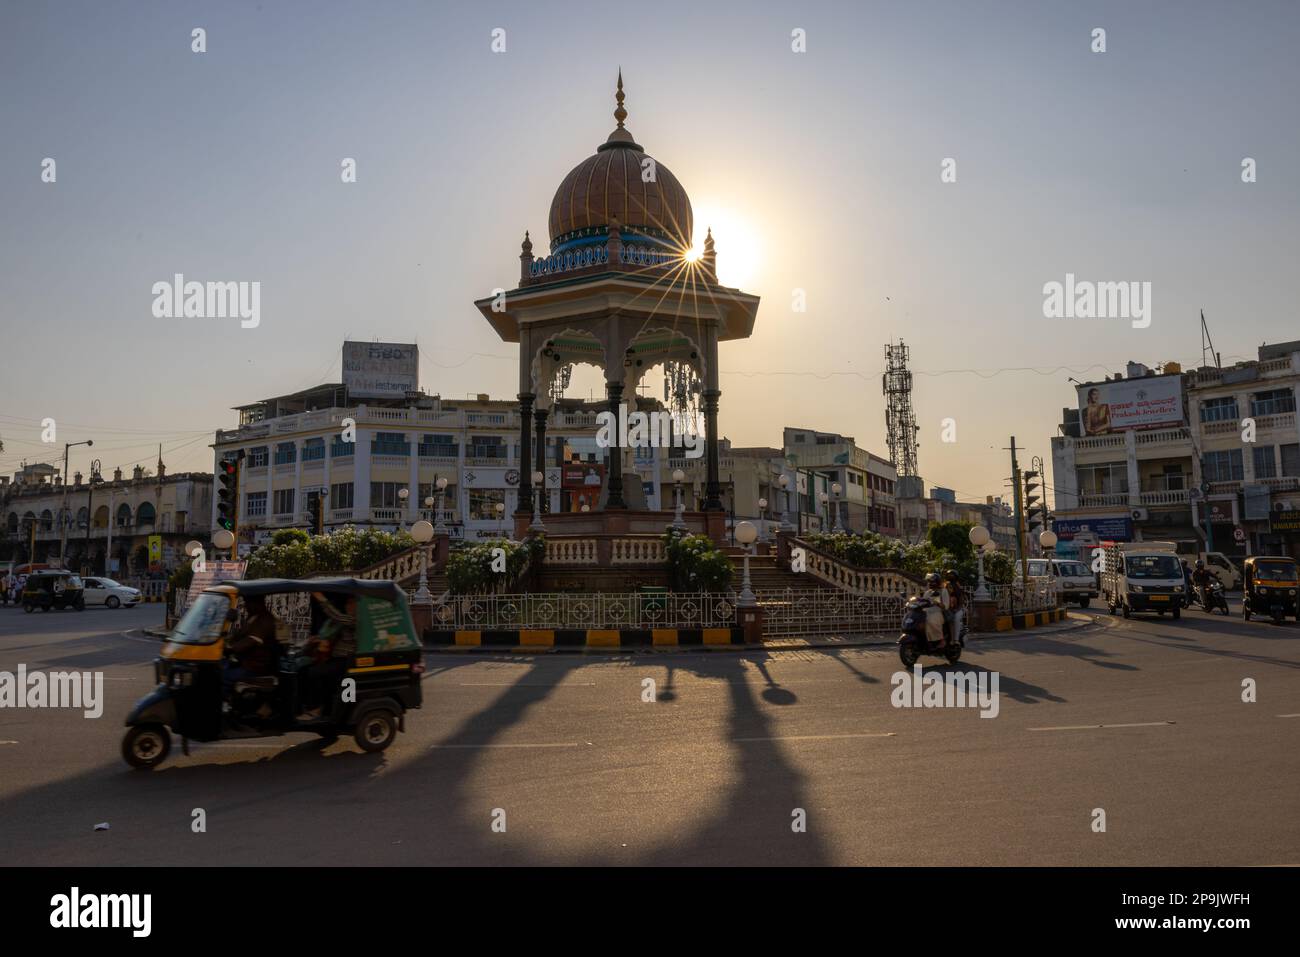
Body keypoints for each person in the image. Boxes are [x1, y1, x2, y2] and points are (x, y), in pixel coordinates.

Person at [301, 593, 358, 715]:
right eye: (347, 603)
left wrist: (322, 600)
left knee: (314, 673)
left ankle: (316, 707)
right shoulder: (342, 622)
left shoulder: (354, 620)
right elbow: (328, 633)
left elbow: (337, 616)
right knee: (305, 669)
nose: (349, 606)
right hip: (334, 658)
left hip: (345, 661)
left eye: (351, 603)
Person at [223, 595, 280, 690]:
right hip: (245, 661)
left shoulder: (264, 620)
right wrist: (227, 639)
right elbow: (240, 634)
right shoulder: (253, 617)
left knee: (223, 676)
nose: (246, 605)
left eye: (248, 602)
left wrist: (230, 648)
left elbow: (250, 641)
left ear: (257, 603)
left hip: (255, 667)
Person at [944, 568, 966, 642]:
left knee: (955, 619)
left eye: (952, 575)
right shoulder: (944, 585)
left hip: (957, 609)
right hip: (945, 608)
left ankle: (955, 639)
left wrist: (957, 609)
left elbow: (961, 599)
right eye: (949, 575)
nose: (951, 576)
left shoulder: (958, 586)